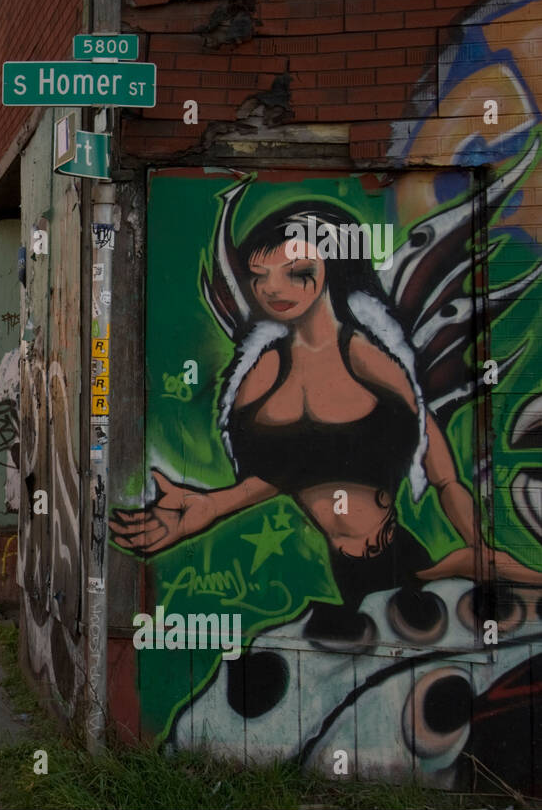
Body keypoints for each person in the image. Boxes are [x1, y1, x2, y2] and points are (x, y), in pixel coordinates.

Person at [109, 194, 542, 645]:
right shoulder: (262, 373)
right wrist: (209, 506)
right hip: (341, 569)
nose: (273, 289)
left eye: (297, 273)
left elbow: (440, 466)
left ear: (330, 271)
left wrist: (479, 549)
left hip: (403, 558)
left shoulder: (366, 356)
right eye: (260, 278)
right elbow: (285, 470)